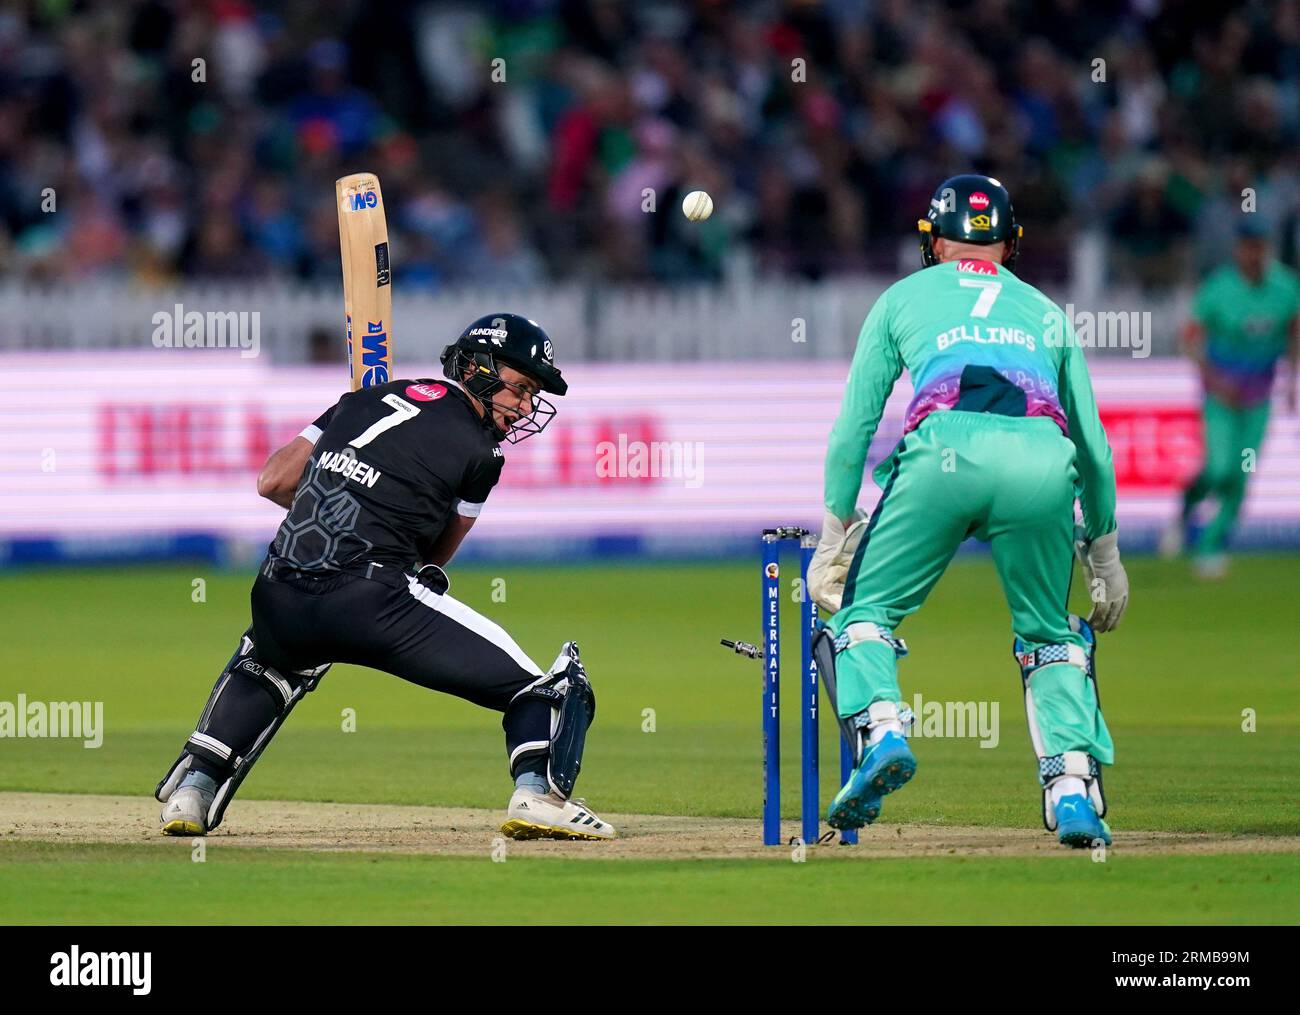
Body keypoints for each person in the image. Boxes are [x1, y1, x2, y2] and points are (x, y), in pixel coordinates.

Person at [156, 314, 616, 841]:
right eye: (522, 387)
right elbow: (433, 557)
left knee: (268, 663)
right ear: (478, 367)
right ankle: (538, 794)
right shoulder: (482, 454)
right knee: (544, 689)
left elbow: (274, 481)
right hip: (372, 602)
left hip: (277, 589)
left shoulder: (357, 401)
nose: (526, 406)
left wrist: (341, 480)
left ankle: (194, 791)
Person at [808, 175, 1127, 849]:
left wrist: (836, 529)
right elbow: (1094, 451)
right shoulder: (1045, 311)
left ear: (931, 241)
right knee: (1047, 632)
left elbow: (853, 429)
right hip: (1042, 458)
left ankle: (885, 729)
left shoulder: (901, 297)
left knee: (864, 613)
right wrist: (1103, 553)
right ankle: (1071, 788)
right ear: (1010, 244)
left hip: (943, 452)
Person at [1159, 219, 1299, 578]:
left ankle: (1210, 546)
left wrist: (1292, 381)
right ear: (1238, 249)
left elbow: (1294, 331)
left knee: (1241, 474)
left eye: (1259, 246)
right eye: (1247, 246)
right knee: (1218, 468)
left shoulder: (1285, 288)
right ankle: (1185, 510)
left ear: (1266, 248)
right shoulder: (1218, 289)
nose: (1253, 254)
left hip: (1258, 399)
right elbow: (1189, 339)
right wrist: (1212, 379)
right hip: (1220, 399)